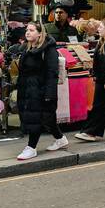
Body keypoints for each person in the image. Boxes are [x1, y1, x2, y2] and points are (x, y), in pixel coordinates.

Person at [16, 21, 67, 160]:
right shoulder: (26, 48)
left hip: (41, 90)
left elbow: (52, 73)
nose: (28, 32)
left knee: (36, 119)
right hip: (28, 89)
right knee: (47, 118)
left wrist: (49, 94)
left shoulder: (48, 50)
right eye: (27, 29)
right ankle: (60, 139)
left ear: (40, 33)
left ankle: (31, 147)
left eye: (32, 30)